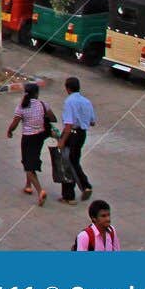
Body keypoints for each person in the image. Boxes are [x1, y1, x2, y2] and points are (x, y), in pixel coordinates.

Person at [6, 81, 57, 206]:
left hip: (28, 138)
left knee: (28, 165)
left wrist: (10, 131)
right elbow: (53, 119)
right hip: (40, 136)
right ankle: (28, 185)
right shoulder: (43, 104)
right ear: (37, 93)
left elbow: (15, 123)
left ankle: (40, 191)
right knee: (32, 159)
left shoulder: (21, 107)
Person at [56, 76, 96, 204]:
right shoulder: (86, 101)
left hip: (71, 135)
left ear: (67, 89)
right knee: (74, 161)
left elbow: (68, 124)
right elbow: (92, 122)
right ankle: (81, 188)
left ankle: (72, 193)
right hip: (81, 134)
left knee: (66, 163)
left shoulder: (69, 102)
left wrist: (62, 140)